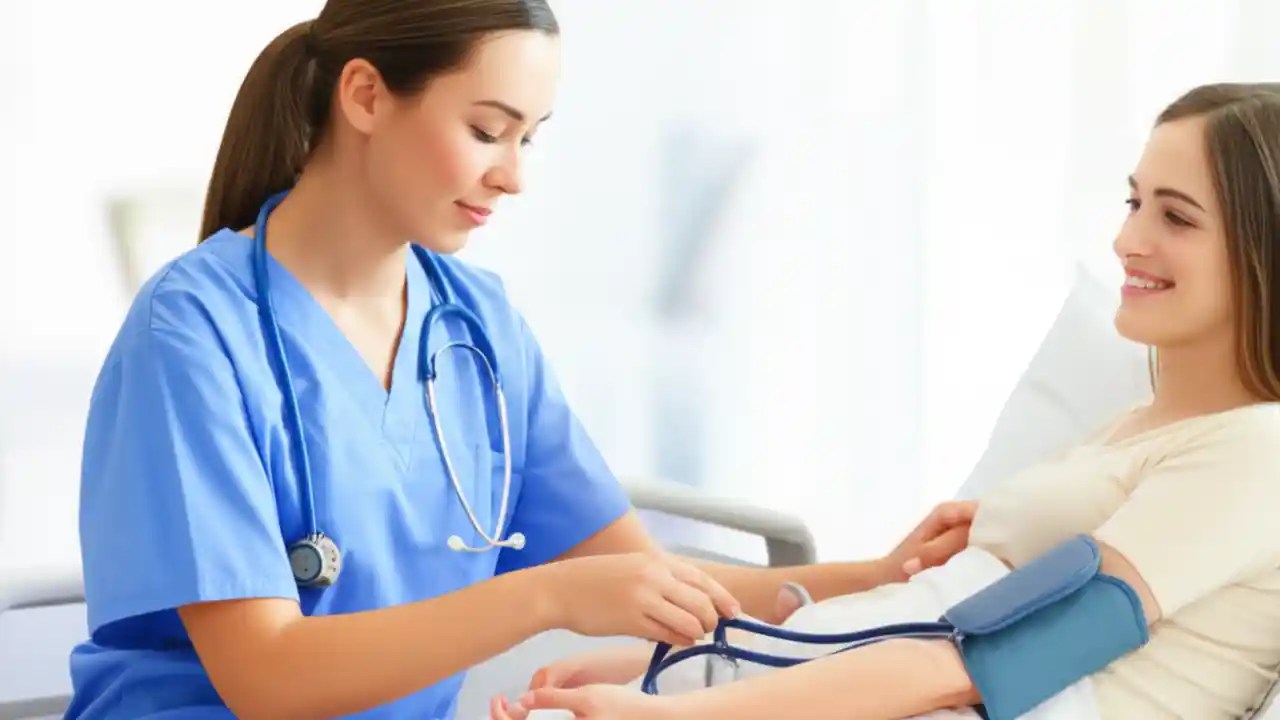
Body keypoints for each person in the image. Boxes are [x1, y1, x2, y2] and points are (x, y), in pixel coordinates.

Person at [64, 2, 976, 718]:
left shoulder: (476, 326)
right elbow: (267, 679)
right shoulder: (193, 333)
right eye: (488, 130)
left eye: (529, 137)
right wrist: (547, 599)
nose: (514, 175)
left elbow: (647, 579)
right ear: (366, 96)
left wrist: (875, 581)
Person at [491, 82, 1280, 720]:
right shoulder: (1137, 430)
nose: (1128, 240)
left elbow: (984, 661)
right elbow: (930, 622)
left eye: (1175, 216)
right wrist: (678, 666)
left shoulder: (1258, 451)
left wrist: (678, 707)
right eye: (1134, 202)